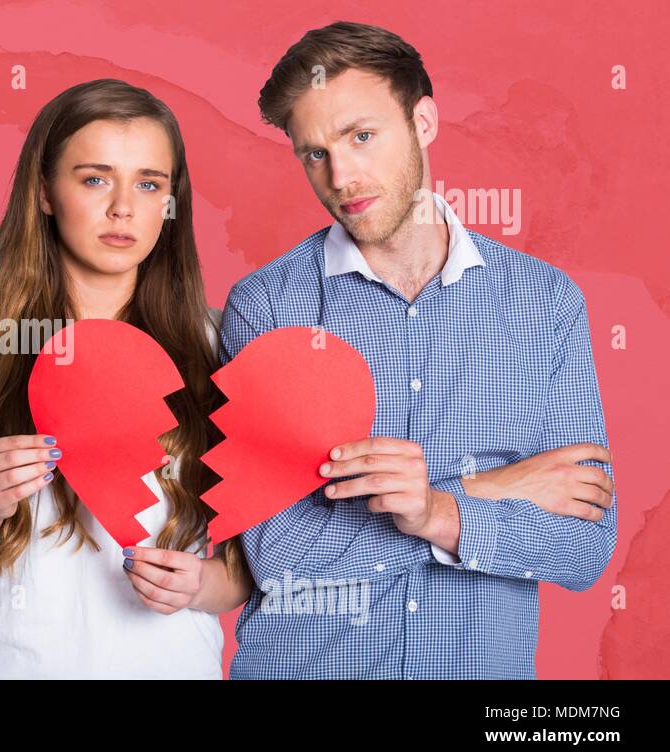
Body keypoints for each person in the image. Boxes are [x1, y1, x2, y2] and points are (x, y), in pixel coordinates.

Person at [222, 21, 617, 679]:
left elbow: (582, 547)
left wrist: (434, 509)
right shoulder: (266, 309)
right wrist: (473, 495)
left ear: (424, 122)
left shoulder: (546, 303)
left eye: (361, 136)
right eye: (313, 153)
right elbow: (280, 559)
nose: (341, 176)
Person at [0, 79, 251, 679]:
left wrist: (202, 586)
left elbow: (248, 565)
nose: (123, 208)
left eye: (149, 184)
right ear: (44, 192)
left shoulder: (216, 342)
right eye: (94, 178)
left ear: (171, 203)